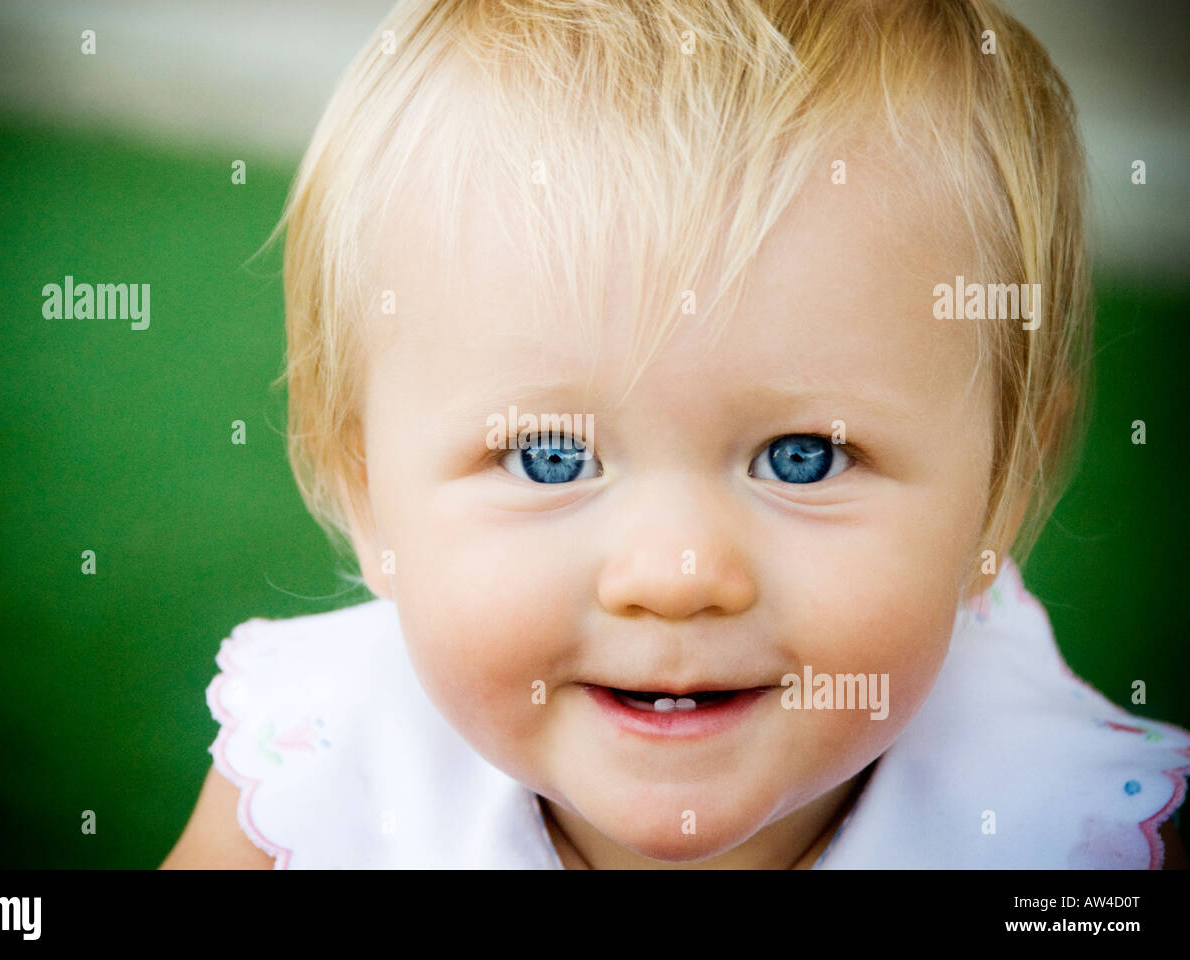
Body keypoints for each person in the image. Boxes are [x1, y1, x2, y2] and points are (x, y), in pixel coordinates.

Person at [162, 0, 1190, 869]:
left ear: (1001, 489)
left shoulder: (1064, 832)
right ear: (366, 490)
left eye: (805, 456)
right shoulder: (327, 762)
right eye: (547, 457)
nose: (677, 574)